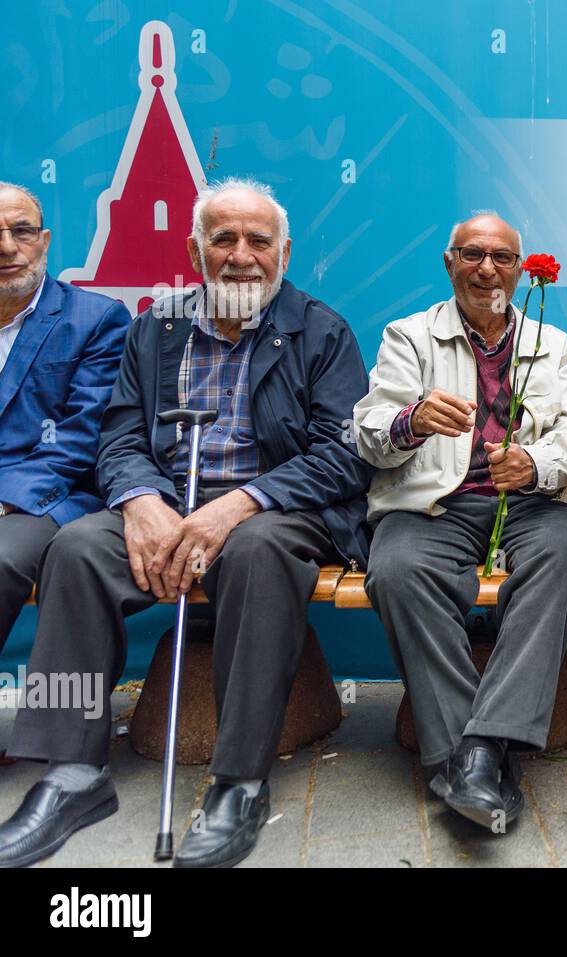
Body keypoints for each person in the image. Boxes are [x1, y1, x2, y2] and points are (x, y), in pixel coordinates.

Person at [0, 178, 373, 867]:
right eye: (222, 238)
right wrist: (141, 499)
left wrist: (240, 503)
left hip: (273, 510)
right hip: (168, 505)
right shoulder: (156, 328)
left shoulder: (321, 331)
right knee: (79, 547)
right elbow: (116, 436)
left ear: (283, 253)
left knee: (258, 552)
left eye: (257, 240)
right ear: (195, 247)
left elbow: (343, 453)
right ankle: (71, 768)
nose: (239, 254)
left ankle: (238, 779)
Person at [356, 213, 567, 832]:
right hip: (437, 502)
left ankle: (482, 748)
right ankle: (472, 760)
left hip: (534, 502)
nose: (486, 268)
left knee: (564, 556)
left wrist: (535, 463)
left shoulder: (556, 344)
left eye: (501, 257)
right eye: (471, 254)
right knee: (397, 568)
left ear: (520, 271)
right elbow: (369, 432)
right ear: (449, 262)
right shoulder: (408, 337)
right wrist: (410, 421)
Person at [0, 182, 129, 659]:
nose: (7, 247)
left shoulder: (94, 320)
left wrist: (4, 503)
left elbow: (81, 437)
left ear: (45, 240)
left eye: (22, 231)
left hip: (46, 498)